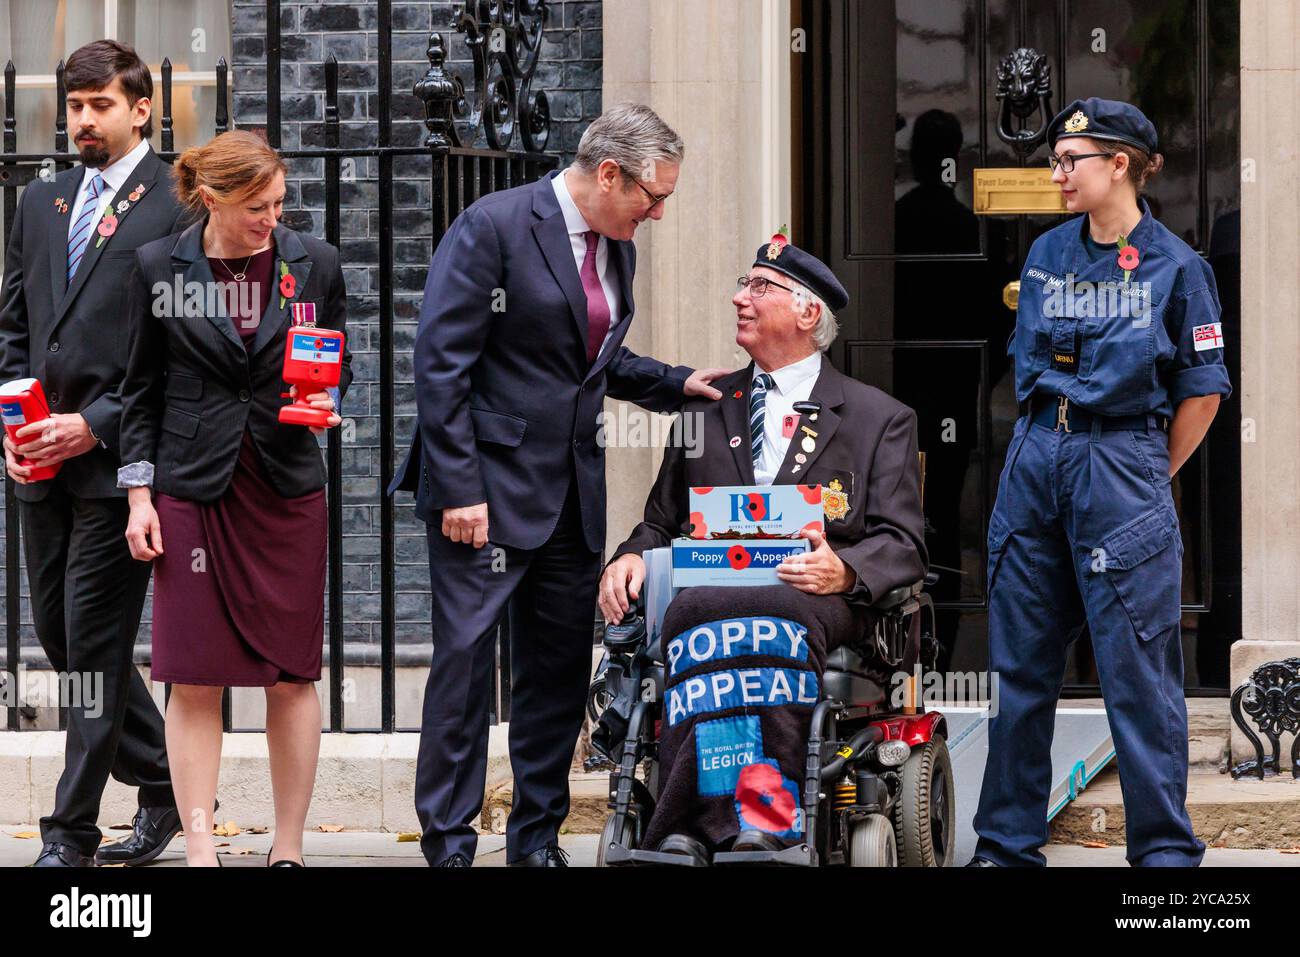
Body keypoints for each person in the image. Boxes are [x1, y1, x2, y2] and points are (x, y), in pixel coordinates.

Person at [389, 103, 730, 867]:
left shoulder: (618, 246)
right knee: (466, 673)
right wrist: (460, 487)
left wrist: (678, 383)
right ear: (608, 173)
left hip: (572, 496)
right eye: (654, 195)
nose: (660, 211)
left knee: (554, 677)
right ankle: (448, 844)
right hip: (485, 500)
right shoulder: (494, 225)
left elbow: (590, 360)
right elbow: (441, 365)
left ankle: (534, 841)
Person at [599, 235, 927, 861]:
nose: (737, 298)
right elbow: (661, 522)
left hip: (816, 595)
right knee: (691, 612)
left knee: (770, 616)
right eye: (742, 285)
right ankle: (688, 826)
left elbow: (902, 541)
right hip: (715, 589)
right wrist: (632, 555)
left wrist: (845, 569)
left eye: (758, 287)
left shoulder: (876, 417)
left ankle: (765, 818)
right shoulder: (704, 410)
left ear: (808, 314)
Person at [967, 98, 1230, 867]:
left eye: (1069, 160)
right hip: (1035, 457)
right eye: (1054, 161)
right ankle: (1006, 846)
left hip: (1121, 462)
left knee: (1139, 674)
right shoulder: (1046, 253)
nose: (1055, 175)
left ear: (1119, 164)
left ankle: (1162, 854)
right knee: (1020, 670)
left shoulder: (1180, 268)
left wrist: (1146, 474)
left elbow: (1203, 392)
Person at [116, 129, 351, 867]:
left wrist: (332, 400)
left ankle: (287, 847)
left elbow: (335, 361)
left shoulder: (315, 265)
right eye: (256, 206)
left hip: (285, 487)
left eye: (279, 203)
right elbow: (138, 392)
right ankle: (199, 848)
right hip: (192, 489)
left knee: (291, 673)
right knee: (194, 677)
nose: (272, 220)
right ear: (211, 198)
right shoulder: (160, 265)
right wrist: (139, 496)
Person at [0, 39, 187, 868]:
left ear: (140, 108)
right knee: (67, 642)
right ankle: (170, 784)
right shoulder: (39, 202)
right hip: (39, 465)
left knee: (97, 649)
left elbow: (184, 353)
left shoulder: (176, 202)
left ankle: (70, 832)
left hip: (122, 467)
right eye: (74, 106)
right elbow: (13, 329)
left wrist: (97, 422)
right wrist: (14, 423)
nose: (82, 119)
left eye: (99, 105)